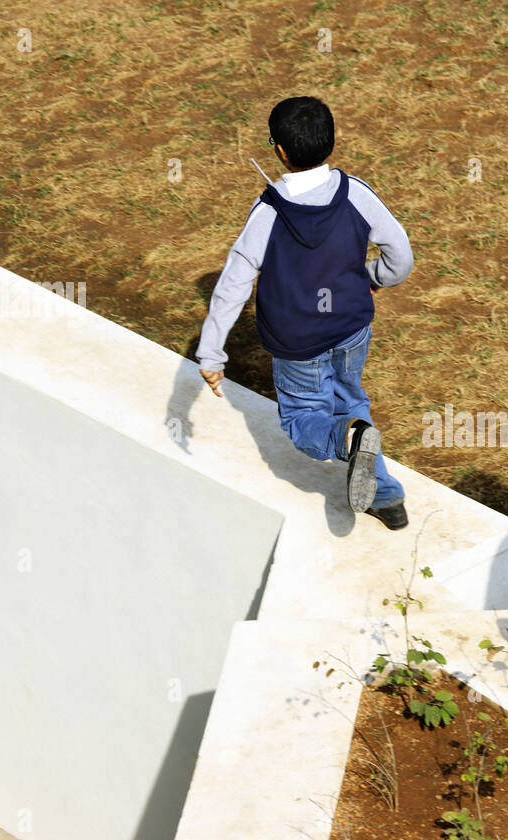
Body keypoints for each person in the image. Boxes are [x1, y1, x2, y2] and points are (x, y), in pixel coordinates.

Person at [197, 96, 414, 529]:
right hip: (352, 328)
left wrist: (211, 353)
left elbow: (233, 285)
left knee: (303, 421)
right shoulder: (357, 193)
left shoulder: (268, 212)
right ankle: (386, 499)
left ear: (279, 150)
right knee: (351, 400)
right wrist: (371, 276)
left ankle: (348, 440)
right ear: (330, 141)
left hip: (297, 343)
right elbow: (401, 257)